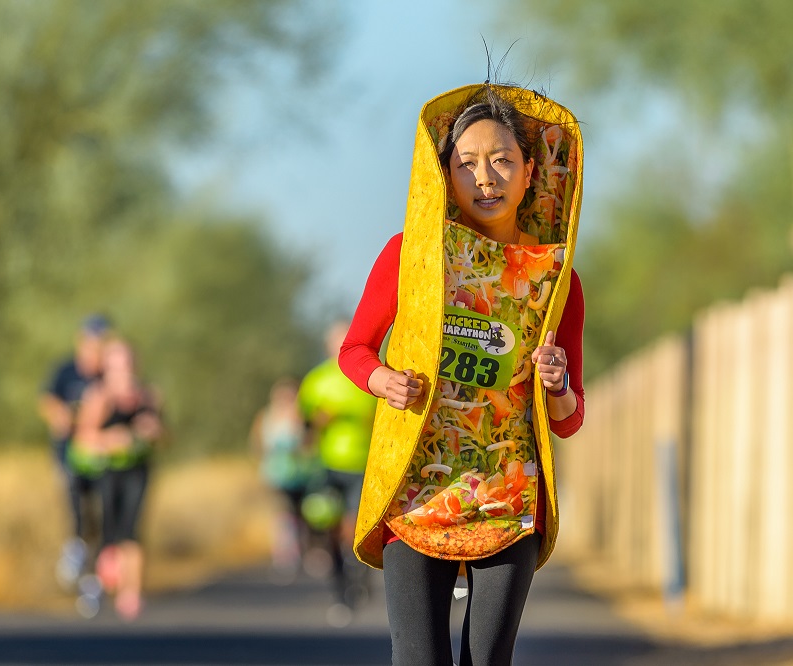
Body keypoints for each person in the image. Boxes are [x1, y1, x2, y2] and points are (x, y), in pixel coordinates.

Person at [339, 83, 585, 666]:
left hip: (508, 495)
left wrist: (559, 385)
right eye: (466, 163)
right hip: (417, 490)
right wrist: (383, 380)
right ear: (444, 175)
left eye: (502, 160)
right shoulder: (411, 256)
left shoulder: (557, 279)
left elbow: (570, 421)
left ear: (531, 171)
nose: (486, 178)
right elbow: (355, 350)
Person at [71, 338, 163, 621]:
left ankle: (131, 593)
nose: (122, 369)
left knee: (132, 528)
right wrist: (112, 440)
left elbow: (164, 435)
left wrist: (152, 431)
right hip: (107, 471)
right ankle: (100, 576)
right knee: (108, 524)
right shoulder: (99, 397)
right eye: (115, 363)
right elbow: (82, 439)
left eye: (126, 362)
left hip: (138, 469)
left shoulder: (147, 396)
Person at [299, 320, 377, 623]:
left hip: (363, 465)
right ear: (328, 346)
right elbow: (304, 429)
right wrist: (318, 424)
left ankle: (361, 578)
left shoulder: (369, 373)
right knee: (330, 530)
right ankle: (341, 590)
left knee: (354, 529)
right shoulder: (316, 381)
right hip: (328, 465)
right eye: (336, 340)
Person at [38, 313, 111, 591]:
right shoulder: (65, 370)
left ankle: (97, 567)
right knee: (73, 499)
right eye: (91, 342)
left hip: (100, 456)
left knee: (100, 510)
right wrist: (59, 415)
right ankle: (76, 551)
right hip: (68, 453)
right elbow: (47, 399)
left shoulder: (109, 373)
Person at [248, 377, 317, 580]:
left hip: (301, 475)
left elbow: (309, 443)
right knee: (283, 515)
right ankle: (286, 556)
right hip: (276, 475)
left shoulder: (301, 417)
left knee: (302, 515)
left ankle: (305, 551)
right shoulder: (265, 417)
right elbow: (256, 443)